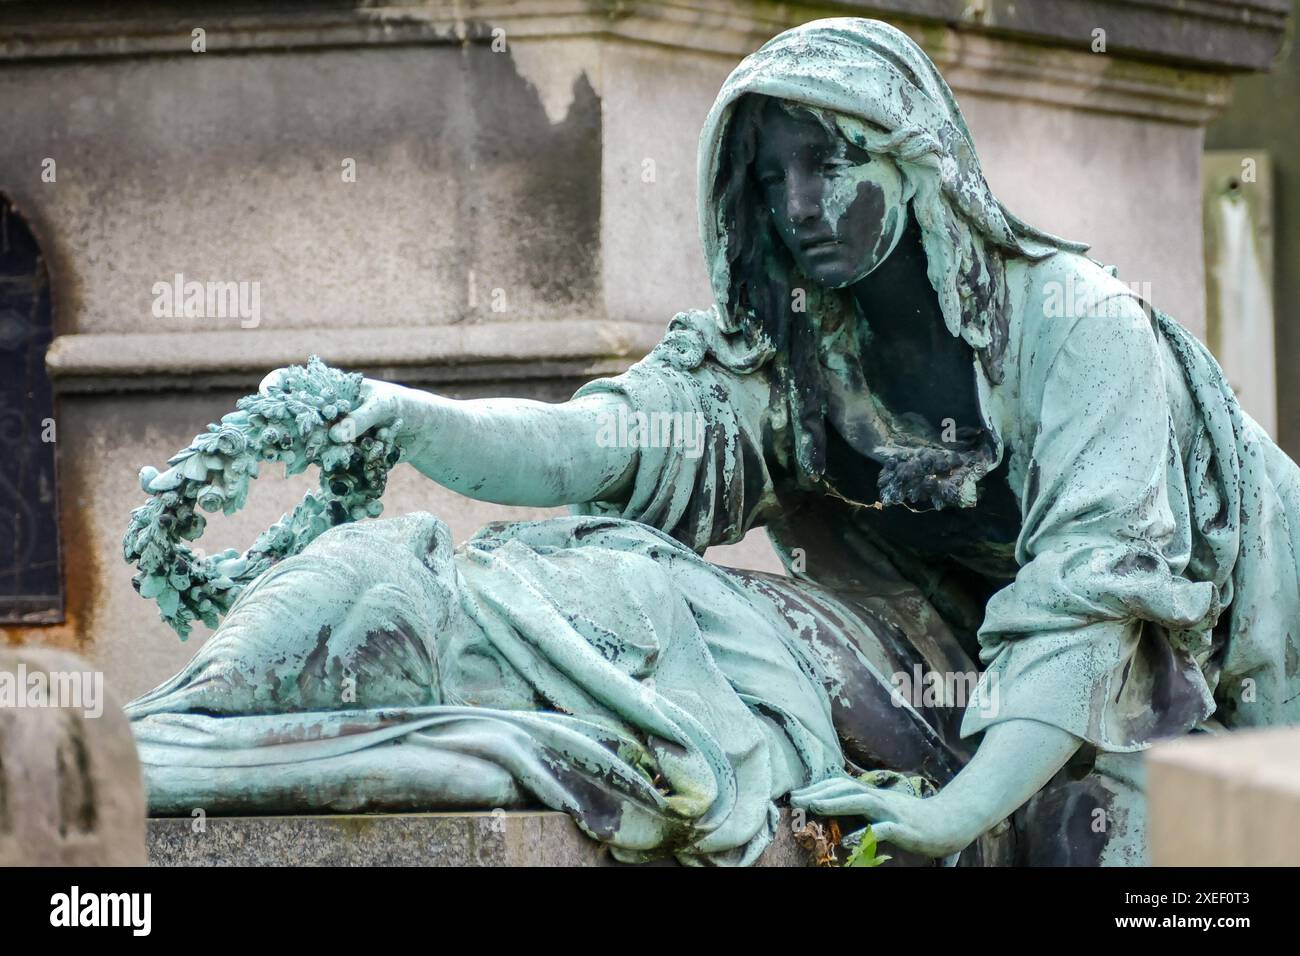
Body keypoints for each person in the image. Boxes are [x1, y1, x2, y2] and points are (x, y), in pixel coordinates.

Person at [128, 18, 1300, 866]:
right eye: (771, 172)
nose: (795, 204)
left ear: (918, 162)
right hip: (963, 646)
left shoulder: (1077, 329)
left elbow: (1091, 611)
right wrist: (420, 420)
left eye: (827, 163)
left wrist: (952, 813)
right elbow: (613, 444)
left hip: (1220, 676)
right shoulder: (791, 349)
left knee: (1098, 844)